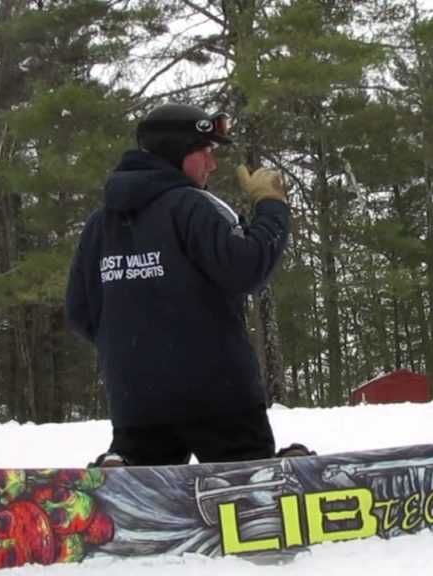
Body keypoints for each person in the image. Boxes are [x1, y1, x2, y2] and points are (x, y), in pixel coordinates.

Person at [66, 103, 306, 466]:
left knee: (145, 492)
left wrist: (137, 345)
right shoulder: (194, 207)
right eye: (205, 151)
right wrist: (272, 208)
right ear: (177, 153)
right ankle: (268, 478)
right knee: (243, 487)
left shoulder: (100, 224)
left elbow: (80, 314)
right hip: (218, 395)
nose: (213, 163)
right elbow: (245, 267)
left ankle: (125, 470)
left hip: (136, 399)